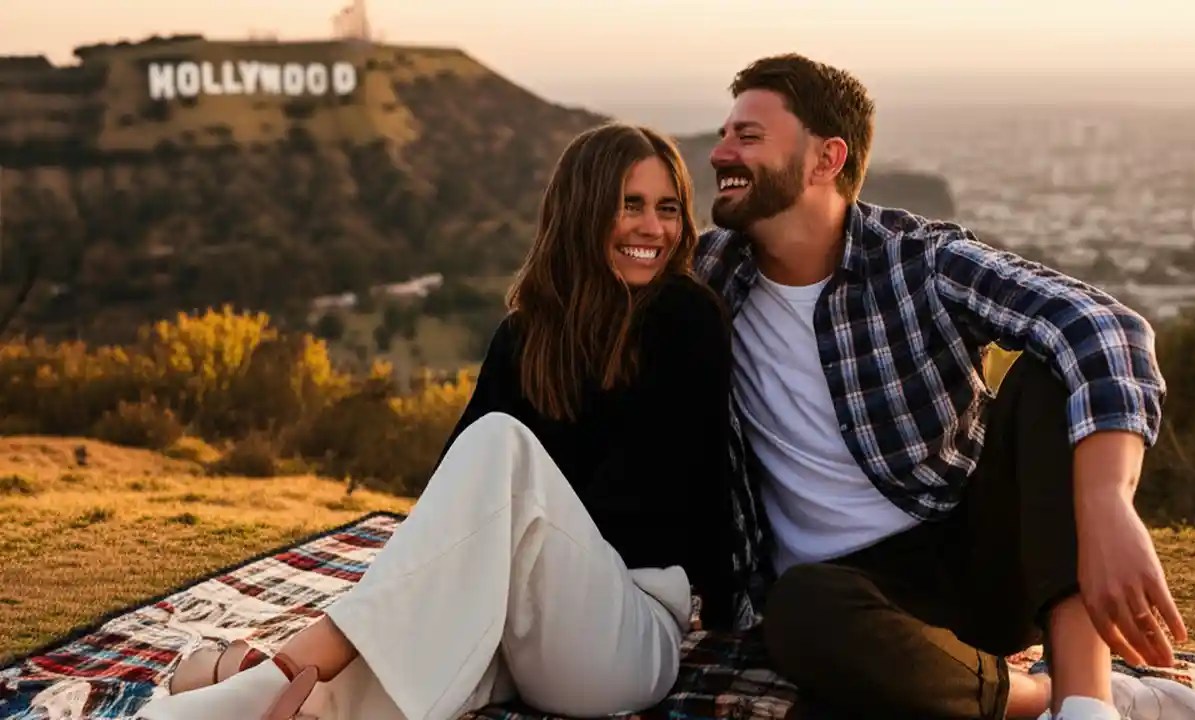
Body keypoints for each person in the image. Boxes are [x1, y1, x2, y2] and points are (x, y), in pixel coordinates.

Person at [136, 122, 761, 720]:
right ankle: (258, 684)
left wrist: (503, 538)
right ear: (583, 211)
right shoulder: (527, 334)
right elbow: (453, 497)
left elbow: (651, 503)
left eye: (669, 208)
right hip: (527, 636)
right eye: (630, 205)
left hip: (627, 637)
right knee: (374, 682)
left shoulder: (687, 318)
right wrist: (468, 575)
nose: (652, 227)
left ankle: (297, 657)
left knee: (499, 446)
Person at [694, 54, 1195, 720]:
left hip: (976, 561)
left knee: (1048, 371)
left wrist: (1107, 505)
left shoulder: (917, 260)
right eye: (725, 133)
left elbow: (1102, 325)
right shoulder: (709, 276)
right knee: (800, 611)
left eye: (746, 136)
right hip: (846, 598)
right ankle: (1042, 697)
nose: (719, 152)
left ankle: (1089, 699)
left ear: (826, 158)